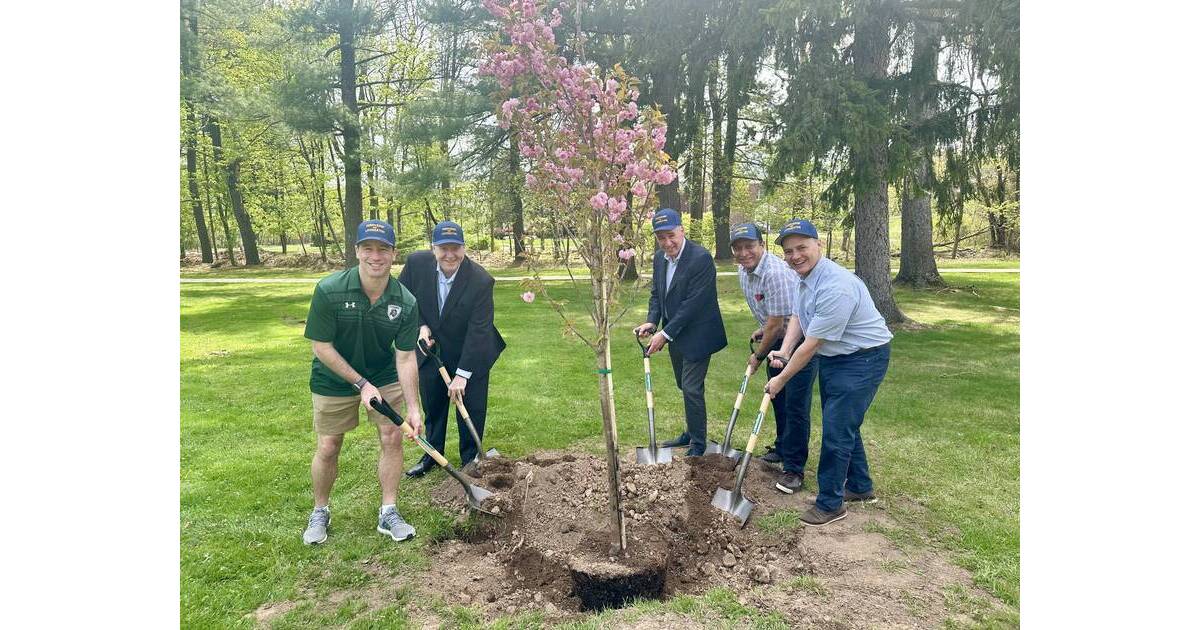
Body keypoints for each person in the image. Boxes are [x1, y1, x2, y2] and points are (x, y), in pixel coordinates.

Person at [301, 220, 424, 545]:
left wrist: (414, 408)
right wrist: (359, 383)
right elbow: (321, 347)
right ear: (356, 251)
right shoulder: (329, 291)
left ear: (394, 254)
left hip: (383, 374)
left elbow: (406, 356)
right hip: (333, 376)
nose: (375, 256)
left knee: (392, 437)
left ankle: (388, 511)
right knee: (329, 446)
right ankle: (320, 511)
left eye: (383, 249)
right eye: (368, 248)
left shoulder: (406, 301)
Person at [765, 218, 893, 526]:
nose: (795, 255)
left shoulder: (836, 286)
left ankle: (831, 503)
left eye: (802, 248)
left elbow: (810, 346)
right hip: (836, 357)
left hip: (863, 359)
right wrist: (784, 350)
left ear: (818, 245)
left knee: (836, 430)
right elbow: (798, 315)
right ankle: (860, 486)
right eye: (789, 250)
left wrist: (781, 379)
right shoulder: (803, 276)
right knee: (842, 422)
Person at [398, 220, 506, 478]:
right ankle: (432, 455)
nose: (450, 254)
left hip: (472, 350)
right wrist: (420, 327)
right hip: (431, 349)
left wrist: (462, 374)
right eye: (443, 248)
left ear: (464, 247)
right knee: (433, 404)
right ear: (433, 248)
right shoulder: (415, 265)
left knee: (472, 405)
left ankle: (471, 457)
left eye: (455, 248)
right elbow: (402, 298)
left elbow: (479, 330)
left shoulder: (480, 280)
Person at [729, 222, 816, 495]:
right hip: (777, 336)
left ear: (761, 245)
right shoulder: (744, 272)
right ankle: (782, 446)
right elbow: (772, 318)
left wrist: (758, 356)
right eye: (738, 248)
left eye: (749, 246)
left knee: (796, 404)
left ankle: (794, 469)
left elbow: (779, 324)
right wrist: (764, 330)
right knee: (777, 396)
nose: (744, 253)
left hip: (800, 339)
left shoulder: (775, 272)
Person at [633, 208, 727, 457]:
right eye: (661, 238)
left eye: (671, 235)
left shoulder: (700, 258)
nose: (667, 242)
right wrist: (652, 322)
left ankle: (698, 444)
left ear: (682, 230)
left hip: (699, 333)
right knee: (684, 386)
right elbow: (657, 294)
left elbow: (693, 305)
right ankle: (691, 431)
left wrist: (665, 334)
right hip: (676, 333)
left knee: (692, 386)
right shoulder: (659, 259)